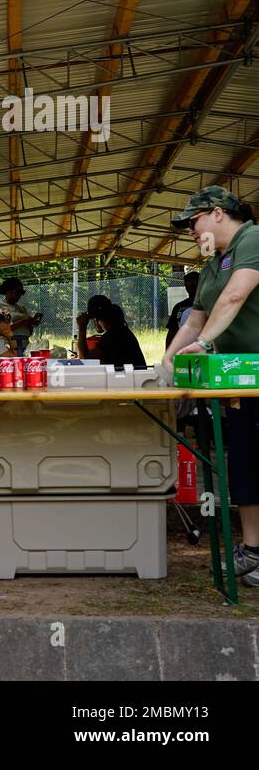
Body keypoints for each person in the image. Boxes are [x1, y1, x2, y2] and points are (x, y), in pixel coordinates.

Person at [162, 186, 259, 585]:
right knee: (244, 466)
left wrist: (202, 346)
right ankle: (253, 552)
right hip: (237, 378)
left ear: (218, 213)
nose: (189, 230)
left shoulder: (252, 239)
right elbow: (194, 321)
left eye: (193, 221)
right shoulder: (212, 264)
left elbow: (237, 295)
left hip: (251, 376)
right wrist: (167, 360)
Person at [84, 301, 146, 369]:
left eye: (95, 318)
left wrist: (82, 327)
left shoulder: (112, 335)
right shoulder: (123, 332)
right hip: (132, 376)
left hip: (129, 378)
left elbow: (86, 359)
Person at [0, 277, 42, 355]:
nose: (20, 295)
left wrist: (31, 324)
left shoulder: (22, 308)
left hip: (24, 347)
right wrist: (23, 322)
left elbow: (28, 332)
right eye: (17, 292)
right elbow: (0, 330)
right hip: (8, 348)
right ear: (8, 291)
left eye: (22, 292)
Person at [166, 271, 200, 349]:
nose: (189, 286)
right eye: (187, 283)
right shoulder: (179, 306)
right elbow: (172, 331)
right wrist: (168, 351)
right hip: (183, 347)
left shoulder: (207, 304)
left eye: (193, 283)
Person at [75, 294, 113, 360]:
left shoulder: (111, 337)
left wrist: (82, 327)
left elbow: (85, 359)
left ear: (98, 318)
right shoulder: (120, 332)